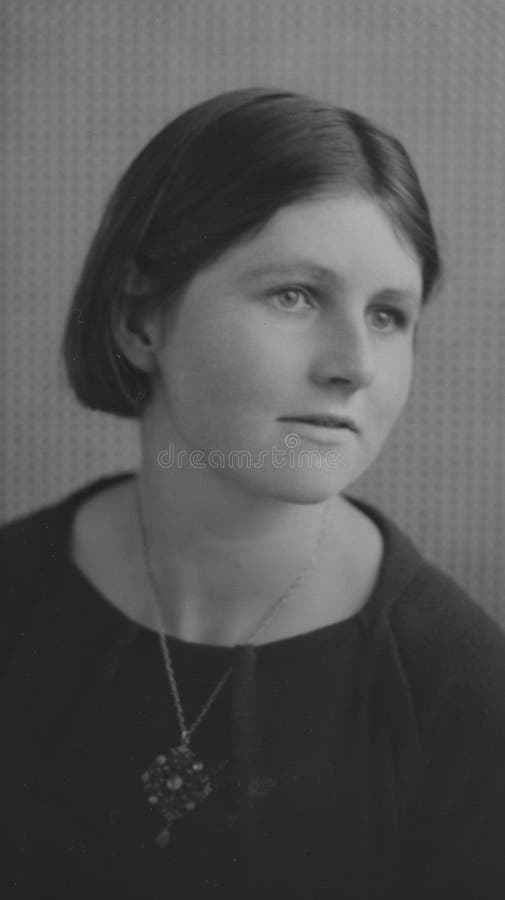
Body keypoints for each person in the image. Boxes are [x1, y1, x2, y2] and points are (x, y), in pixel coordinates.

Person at [2, 87, 505, 900]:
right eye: (295, 295)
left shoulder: (464, 695)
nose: (354, 363)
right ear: (139, 320)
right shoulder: (13, 599)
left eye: (386, 315)